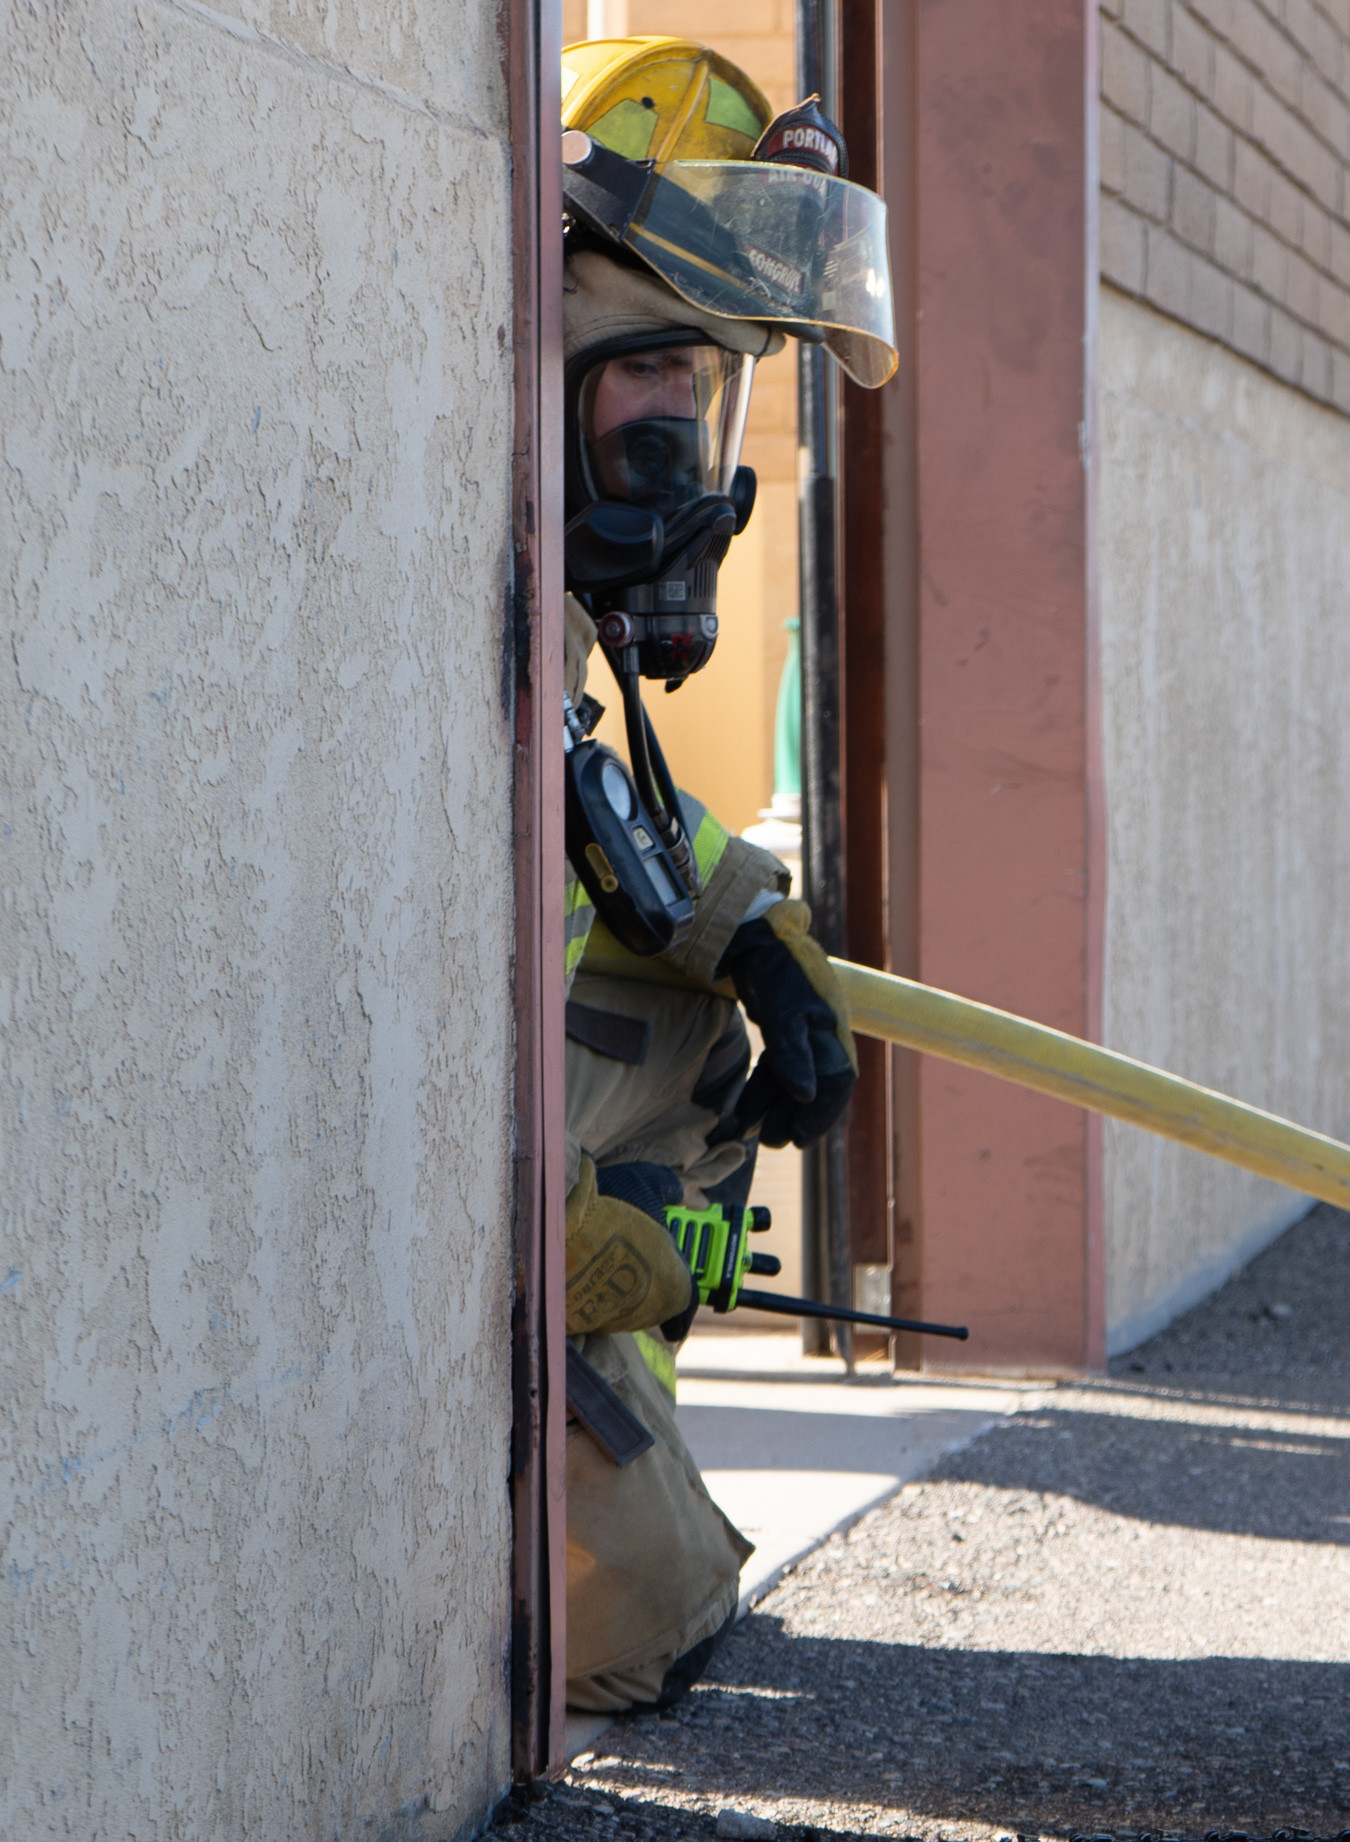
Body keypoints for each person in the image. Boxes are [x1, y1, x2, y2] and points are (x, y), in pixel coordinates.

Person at [552, 38, 895, 1714]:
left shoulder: (537, 613)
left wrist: (754, 931)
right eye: (657, 375)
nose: (686, 437)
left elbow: (580, 805)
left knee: (695, 1011)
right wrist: (548, 1233)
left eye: (711, 388)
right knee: (645, 1627)